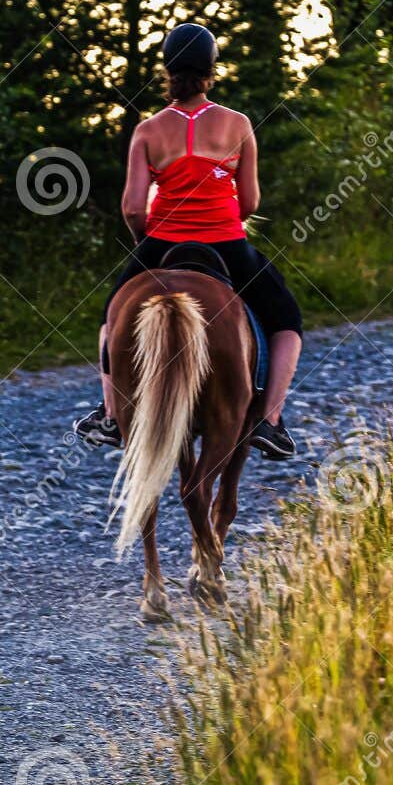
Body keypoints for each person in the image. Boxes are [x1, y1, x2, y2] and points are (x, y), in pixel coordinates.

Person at [73, 23, 303, 459]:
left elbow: (133, 208)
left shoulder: (147, 131)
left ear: (168, 69)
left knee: (111, 319)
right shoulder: (237, 124)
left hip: (161, 241)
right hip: (228, 244)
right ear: (212, 70)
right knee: (286, 318)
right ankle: (270, 421)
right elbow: (250, 200)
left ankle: (110, 417)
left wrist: (147, 243)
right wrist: (221, 222)